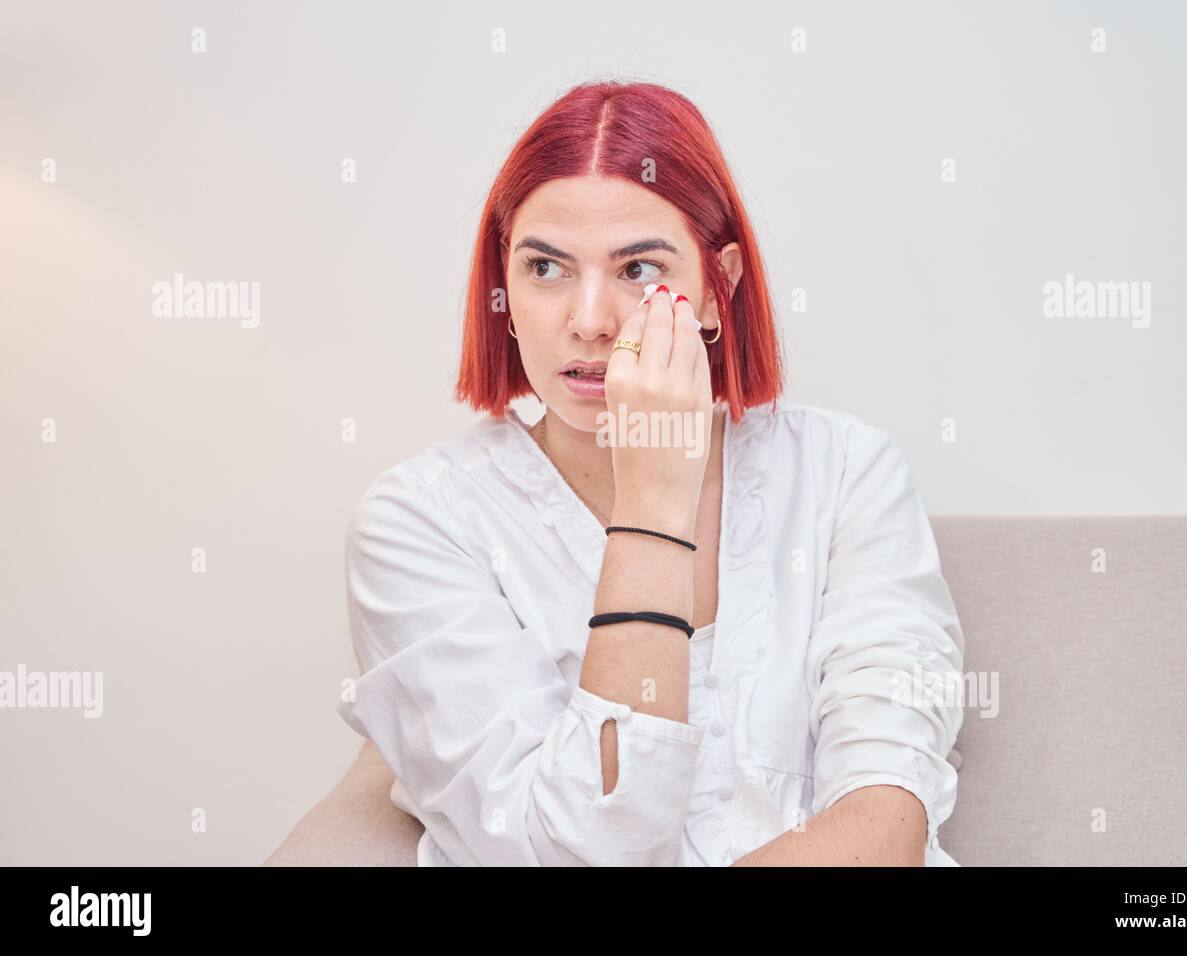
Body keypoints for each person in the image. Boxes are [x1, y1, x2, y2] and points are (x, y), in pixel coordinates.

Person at [336, 79, 966, 866]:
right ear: (505, 287)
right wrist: (654, 499)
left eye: (637, 269)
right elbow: (578, 853)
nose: (591, 319)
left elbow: (886, 815)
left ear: (718, 287)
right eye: (545, 267)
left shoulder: (846, 472)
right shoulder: (420, 521)